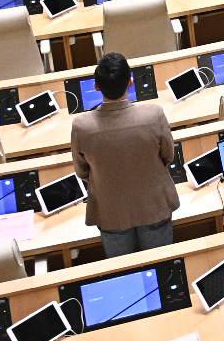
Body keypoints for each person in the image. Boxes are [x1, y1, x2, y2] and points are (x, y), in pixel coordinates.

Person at [69, 51, 178, 255]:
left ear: (96, 87)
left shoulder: (81, 126)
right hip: (153, 206)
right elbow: (168, 156)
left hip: (111, 214)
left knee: (125, 274)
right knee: (162, 267)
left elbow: (81, 171)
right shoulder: (154, 115)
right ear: (130, 82)